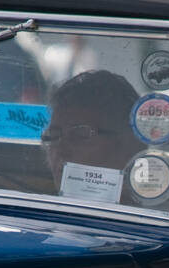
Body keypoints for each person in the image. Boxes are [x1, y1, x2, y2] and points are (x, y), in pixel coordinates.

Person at [41, 69, 145, 199]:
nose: (61, 151)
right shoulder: (37, 210)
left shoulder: (156, 217)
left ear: (129, 145)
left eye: (81, 135)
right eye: (54, 137)